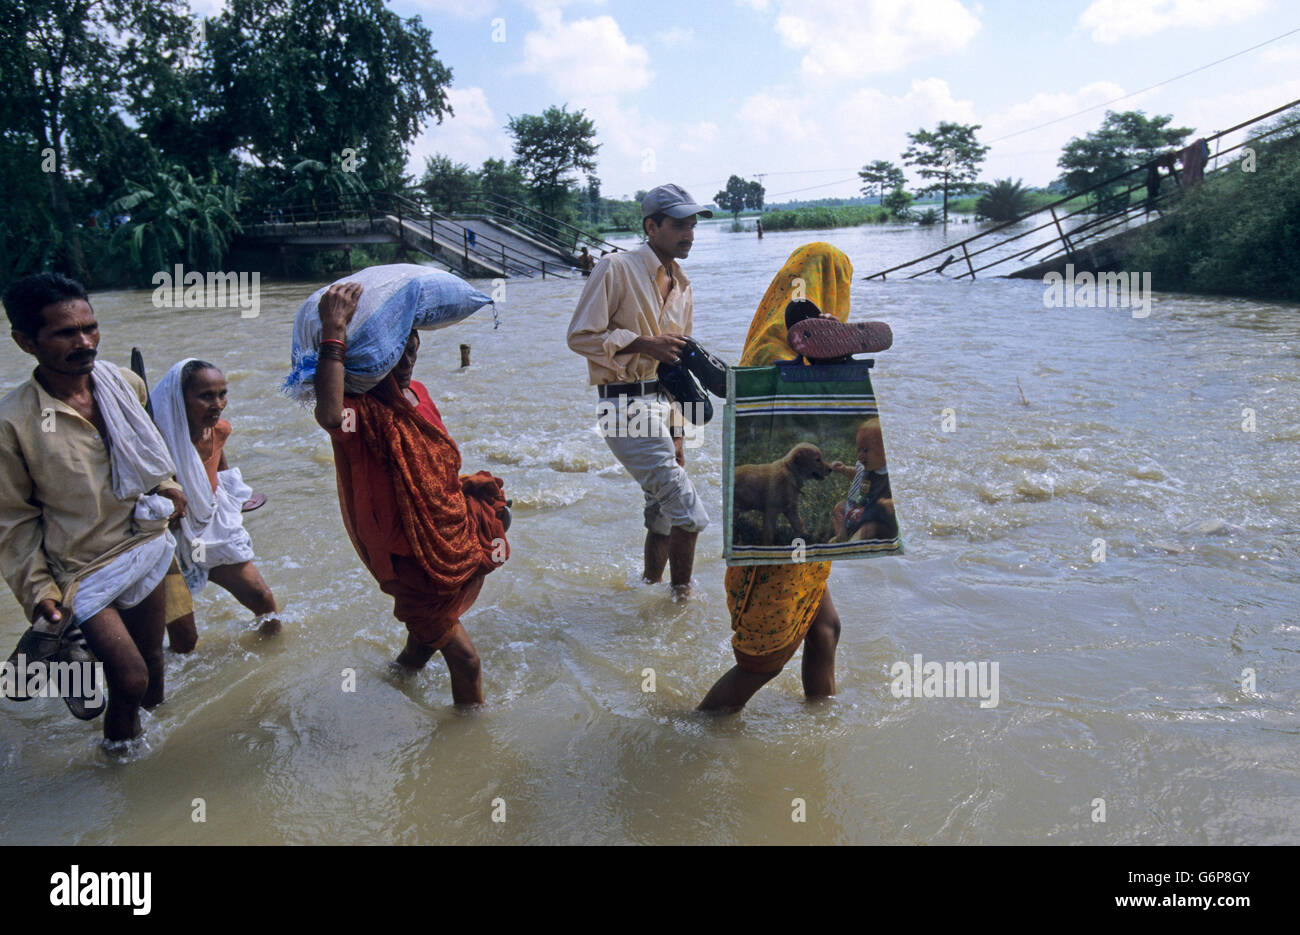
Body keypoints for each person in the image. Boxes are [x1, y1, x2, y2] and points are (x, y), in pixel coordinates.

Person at [0, 273, 187, 743]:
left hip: (143, 541)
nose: (85, 341)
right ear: (25, 342)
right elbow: (13, 519)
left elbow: (144, 454)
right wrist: (38, 589)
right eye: (65, 333)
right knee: (129, 678)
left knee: (154, 669)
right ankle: (117, 763)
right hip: (80, 568)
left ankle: (155, 757)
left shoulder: (124, 385)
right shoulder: (13, 422)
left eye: (90, 327)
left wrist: (167, 485)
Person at [312, 283, 510, 704]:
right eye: (394, 351)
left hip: (445, 533)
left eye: (412, 347)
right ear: (370, 353)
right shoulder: (362, 414)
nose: (406, 361)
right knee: (467, 662)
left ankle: (398, 675)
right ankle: (470, 748)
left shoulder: (418, 394)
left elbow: (435, 463)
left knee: (429, 631)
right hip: (408, 556)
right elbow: (329, 415)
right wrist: (334, 331)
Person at [698, 243, 850, 712]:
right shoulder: (770, 352)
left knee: (826, 628)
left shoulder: (825, 359)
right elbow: (770, 406)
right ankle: (698, 731)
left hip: (801, 546)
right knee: (762, 664)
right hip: (772, 551)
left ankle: (818, 725)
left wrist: (832, 357)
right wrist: (814, 358)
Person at [566, 184, 714, 598]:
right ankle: (680, 603)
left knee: (664, 513)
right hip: (623, 403)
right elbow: (579, 336)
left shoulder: (682, 285)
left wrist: (679, 432)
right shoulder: (616, 268)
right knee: (690, 515)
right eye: (680, 225)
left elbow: (676, 365)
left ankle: (648, 589)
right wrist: (643, 342)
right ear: (652, 226)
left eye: (693, 225)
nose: (689, 234)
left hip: (662, 402)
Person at [150, 359, 281, 651]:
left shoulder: (219, 429)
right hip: (169, 543)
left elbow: (220, 467)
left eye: (222, 394)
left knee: (264, 602)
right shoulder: (156, 441)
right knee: (185, 639)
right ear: (179, 399)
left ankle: (275, 661)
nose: (218, 403)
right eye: (206, 396)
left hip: (210, 529)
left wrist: (234, 498)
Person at [830, 418, 896, 542]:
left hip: (877, 518)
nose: (860, 455)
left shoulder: (890, 474)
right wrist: (844, 469)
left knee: (869, 528)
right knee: (839, 508)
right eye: (859, 450)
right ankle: (841, 535)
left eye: (865, 450)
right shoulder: (867, 468)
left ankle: (852, 544)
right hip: (860, 509)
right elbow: (857, 475)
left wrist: (890, 503)